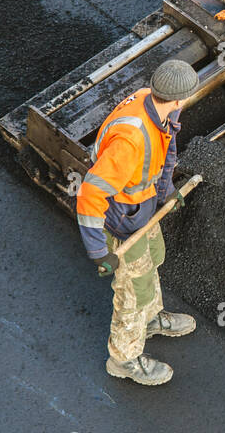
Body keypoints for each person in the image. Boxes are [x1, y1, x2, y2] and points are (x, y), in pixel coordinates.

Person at [76, 60, 199, 386]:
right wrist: (99, 252)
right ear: (177, 99)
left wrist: (167, 193)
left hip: (142, 210)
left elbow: (165, 152)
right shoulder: (130, 141)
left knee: (153, 258)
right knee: (132, 293)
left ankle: (150, 318)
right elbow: (89, 194)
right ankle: (124, 358)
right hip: (122, 223)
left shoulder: (156, 105)